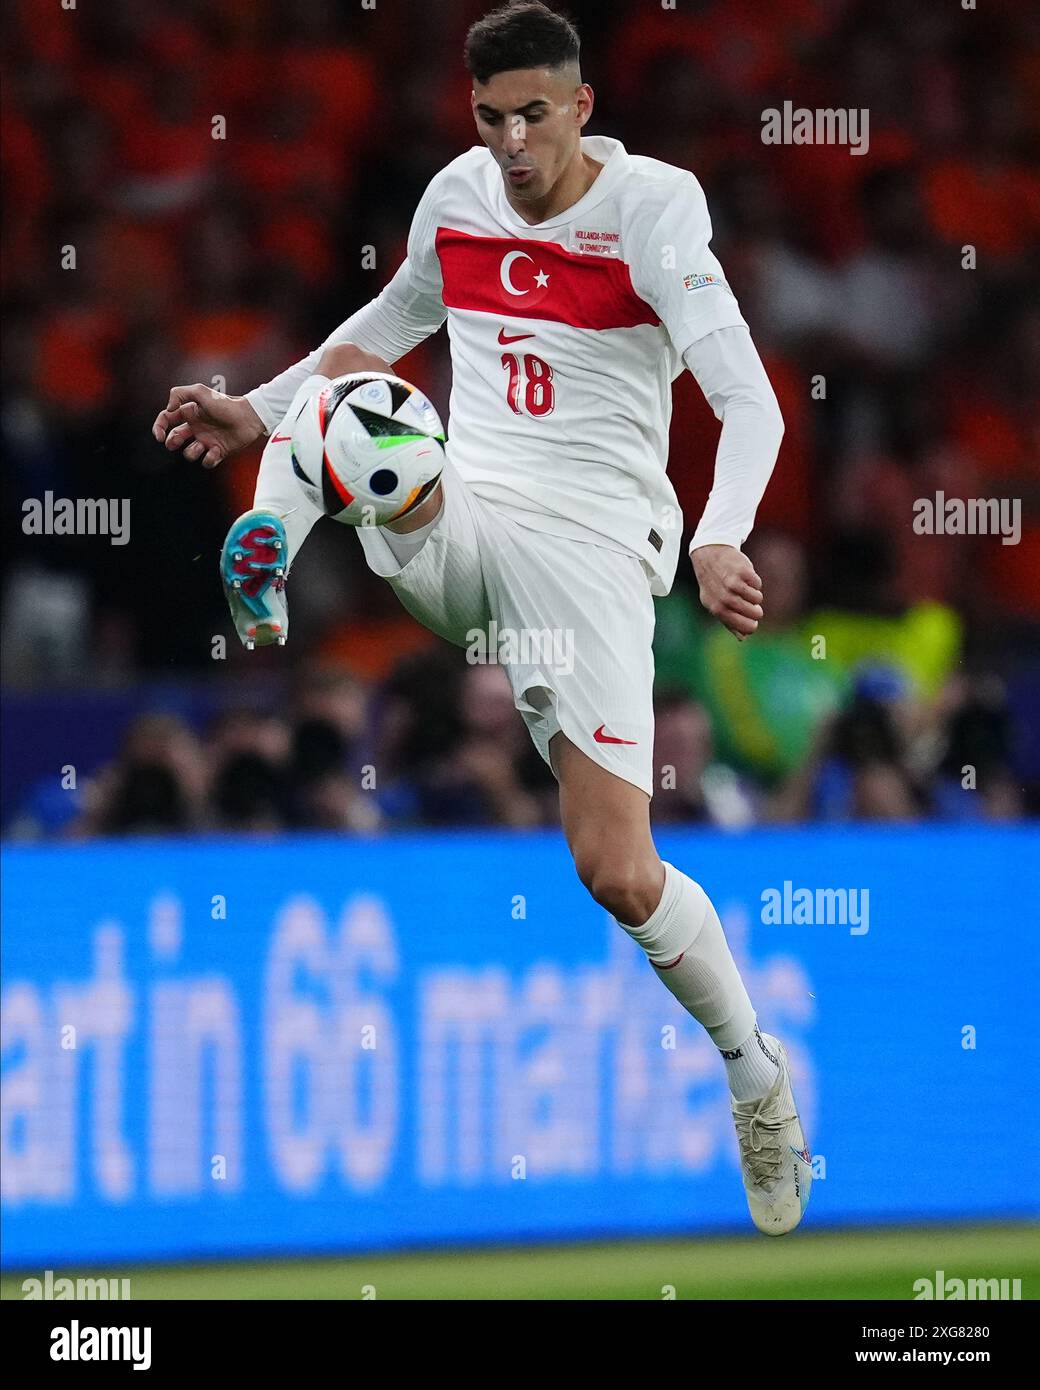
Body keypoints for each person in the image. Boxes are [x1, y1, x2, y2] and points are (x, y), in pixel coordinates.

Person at [151, 2, 809, 1234]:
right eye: (490, 117)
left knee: (613, 871)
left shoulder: (654, 211)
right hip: (464, 512)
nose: (511, 142)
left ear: (580, 107)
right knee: (364, 406)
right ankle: (270, 555)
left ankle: (754, 1073)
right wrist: (255, 407)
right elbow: (385, 327)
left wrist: (720, 529)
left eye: (532, 116)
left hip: (598, 548)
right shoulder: (455, 194)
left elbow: (749, 400)